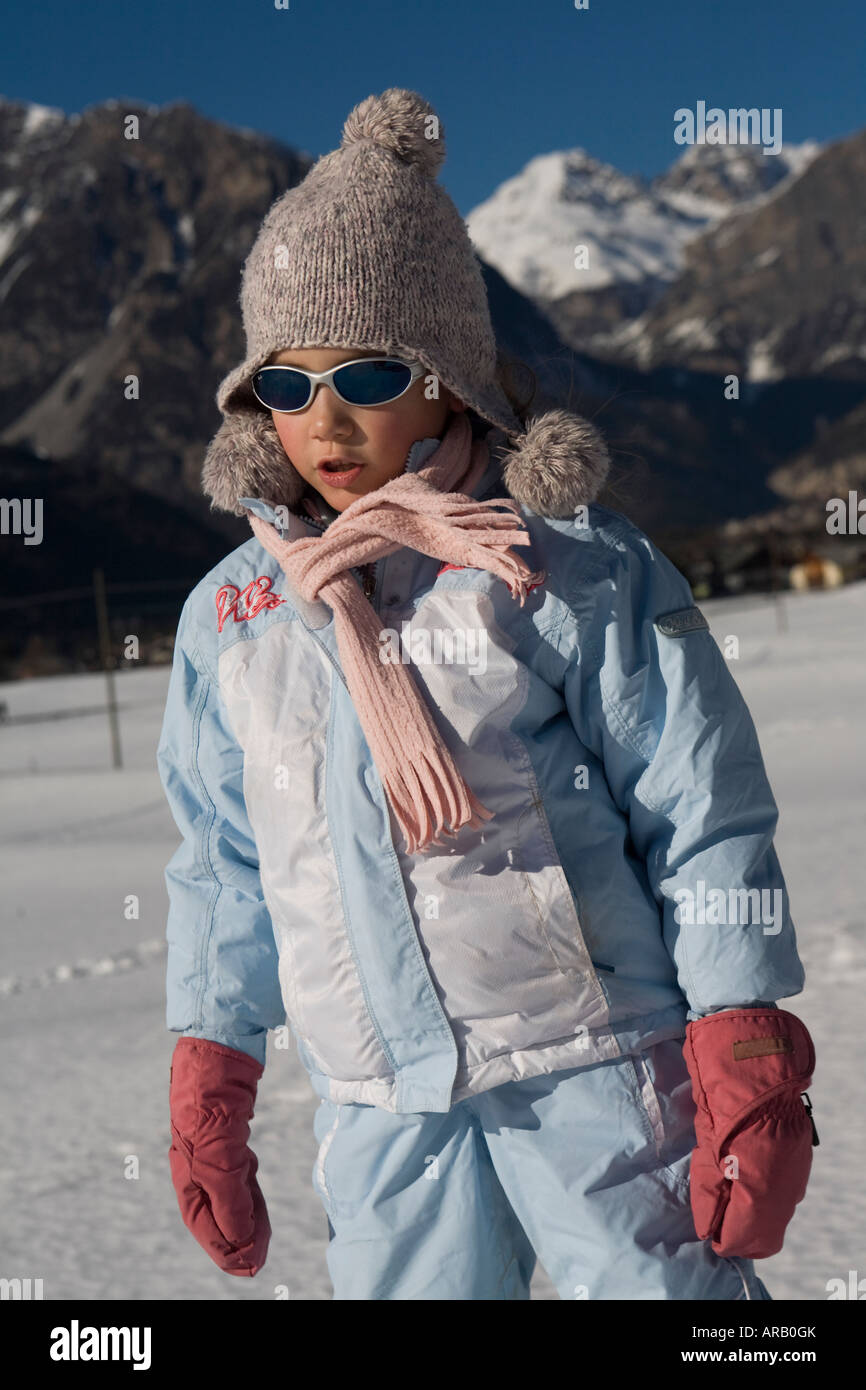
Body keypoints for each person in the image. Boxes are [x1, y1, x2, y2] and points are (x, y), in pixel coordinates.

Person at [157, 88, 817, 1301]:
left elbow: (701, 805)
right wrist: (213, 1056)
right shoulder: (236, 616)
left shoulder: (556, 561)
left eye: (362, 372)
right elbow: (223, 863)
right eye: (286, 387)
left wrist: (742, 1028)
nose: (325, 419)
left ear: (445, 378)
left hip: (594, 1063)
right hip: (376, 1096)